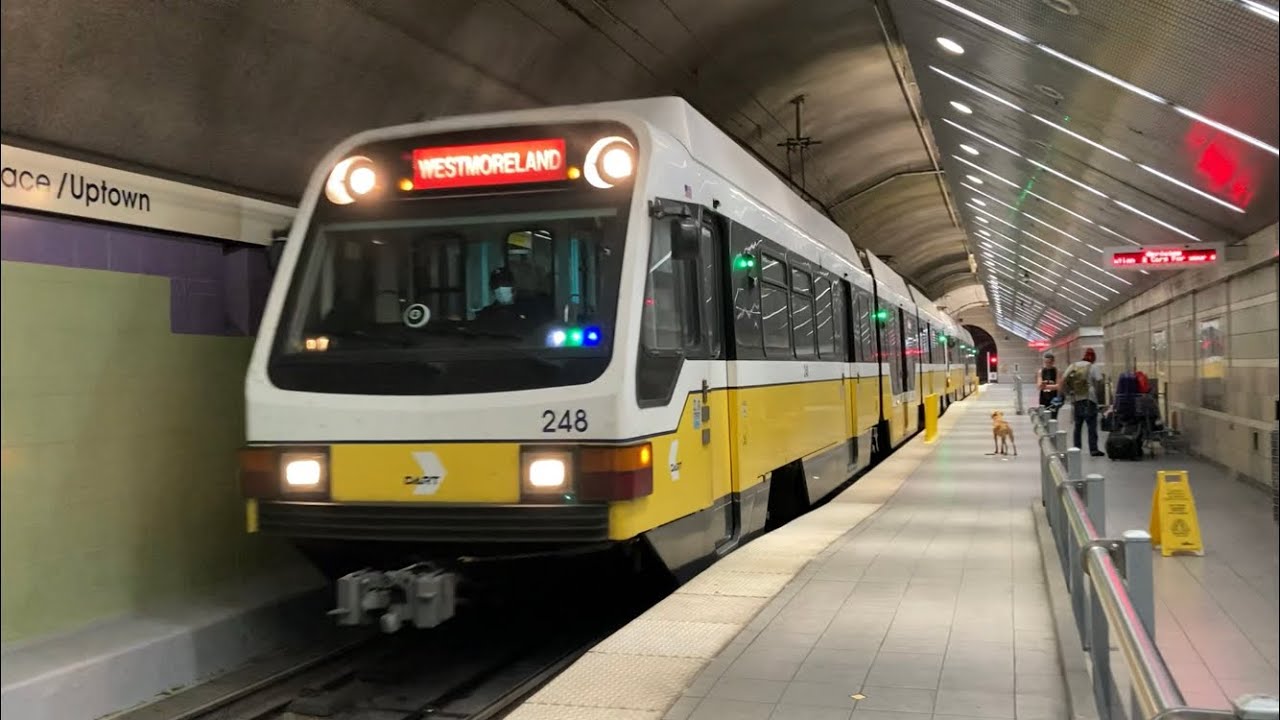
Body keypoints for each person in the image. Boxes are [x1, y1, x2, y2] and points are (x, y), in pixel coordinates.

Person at [1057, 347, 1105, 456]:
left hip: (1076, 399)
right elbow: (1100, 382)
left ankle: (1077, 448)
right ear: (1093, 358)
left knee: (1078, 425)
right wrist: (1098, 398)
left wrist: (1067, 394)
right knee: (1091, 426)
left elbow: (1063, 380)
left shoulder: (1073, 366)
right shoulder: (1093, 367)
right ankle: (1093, 449)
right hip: (1089, 399)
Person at [1036, 352, 1060, 418]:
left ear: (1053, 362)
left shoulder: (1056, 371)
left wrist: (1045, 386)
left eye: (1049, 362)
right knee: (1043, 418)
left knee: (1053, 417)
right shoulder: (1041, 371)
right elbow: (1039, 386)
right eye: (1046, 362)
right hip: (1043, 398)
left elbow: (1058, 386)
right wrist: (1052, 386)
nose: (1047, 364)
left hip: (1054, 398)